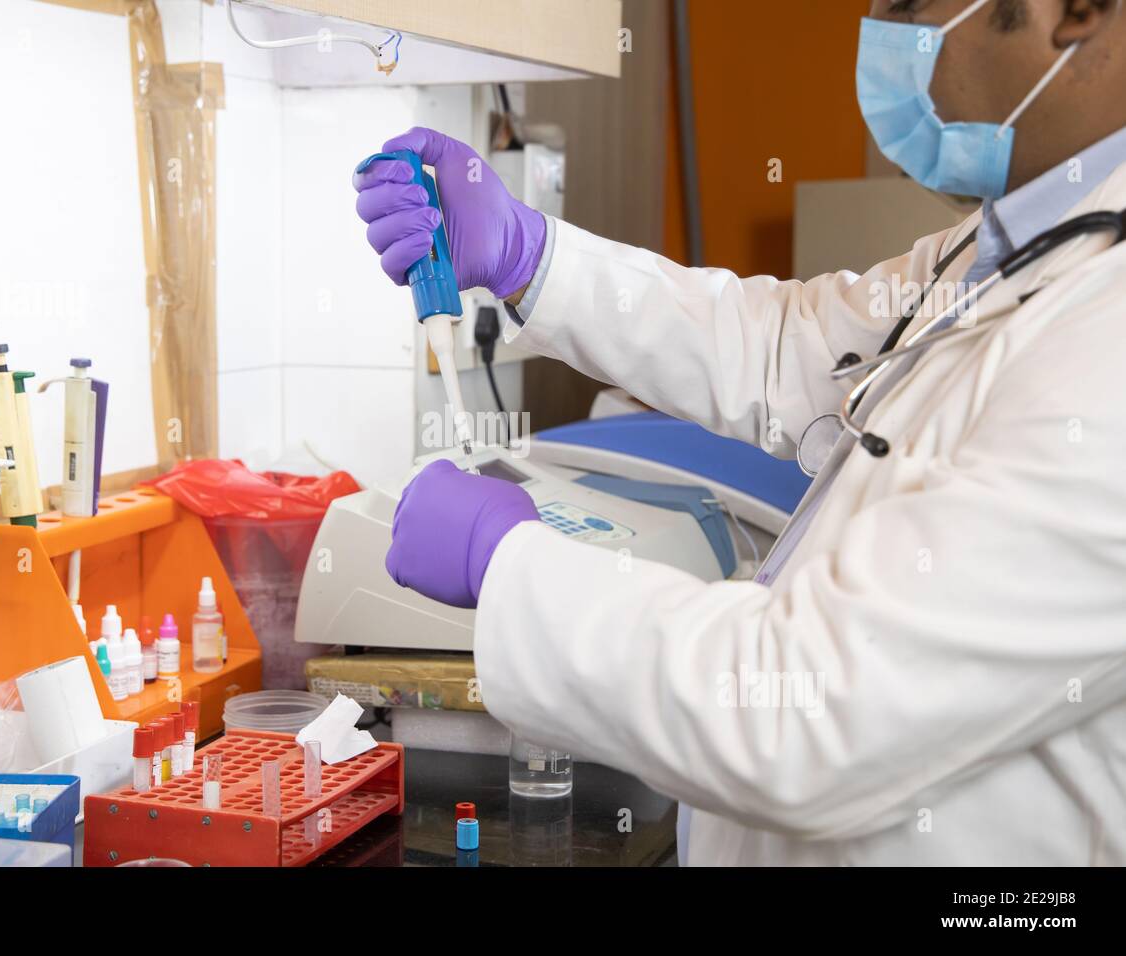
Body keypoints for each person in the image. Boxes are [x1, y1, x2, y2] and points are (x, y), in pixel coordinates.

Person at [351, 0, 1126, 865]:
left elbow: (812, 709)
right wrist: (537, 258)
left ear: (1077, 13)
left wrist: (511, 566)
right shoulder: (1010, 245)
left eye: (909, 5)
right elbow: (786, 346)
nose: (879, 38)